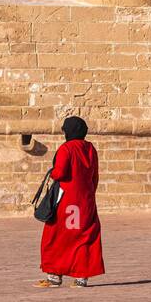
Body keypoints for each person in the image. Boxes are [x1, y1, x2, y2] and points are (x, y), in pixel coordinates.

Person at [36, 116, 105, 288]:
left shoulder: (66, 149)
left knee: (56, 237)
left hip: (67, 201)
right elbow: (94, 176)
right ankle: (82, 277)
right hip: (86, 200)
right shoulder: (90, 148)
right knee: (84, 237)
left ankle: (54, 276)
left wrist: (52, 173)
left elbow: (59, 173)